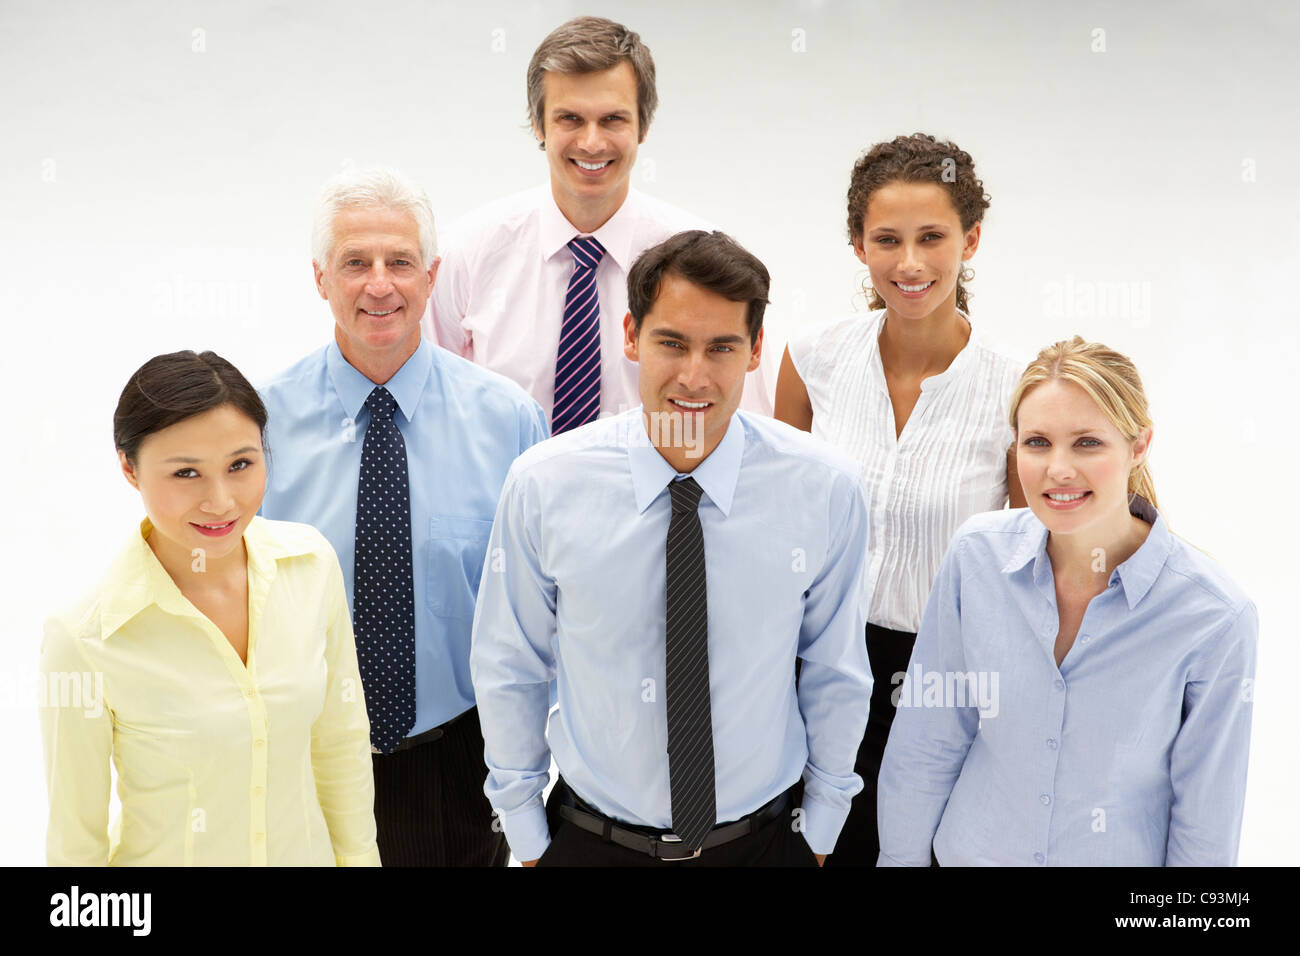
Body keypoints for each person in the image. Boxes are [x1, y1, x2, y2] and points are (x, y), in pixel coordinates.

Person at [470, 230, 872, 867]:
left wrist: (820, 830)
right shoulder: (545, 485)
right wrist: (526, 836)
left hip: (767, 844)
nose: (694, 375)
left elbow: (836, 669)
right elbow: (510, 664)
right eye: (671, 343)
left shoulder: (824, 490)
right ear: (630, 335)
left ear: (756, 350)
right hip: (589, 844)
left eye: (721, 348)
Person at [259, 167, 549, 867]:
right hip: (305, 754)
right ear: (321, 279)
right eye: (355, 263)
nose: (379, 284)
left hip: (456, 759)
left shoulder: (510, 421)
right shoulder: (261, 423)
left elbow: (543, 607)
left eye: (400, 262)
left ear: (431, 276)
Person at [877, 337, 1258, 866]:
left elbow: (1206, 821)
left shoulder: (1214, 618)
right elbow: (927, 744)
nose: (1058, 469)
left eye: (1086, 443)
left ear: (1139, 445)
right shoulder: (976, 557)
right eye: (1037, 442)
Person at [774, 132, 1026, 865]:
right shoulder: (812, 358)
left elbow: (1023, 567)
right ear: (858, 245)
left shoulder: (1016, 387)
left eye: (932, 237)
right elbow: (768, 526)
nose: (909, 263)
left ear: (970, 239)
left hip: (945, 678)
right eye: (887, 239)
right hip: (814, 666)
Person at [39, 350, 378, 866]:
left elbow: (339, 749)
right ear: (129, 468)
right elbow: (75, 847)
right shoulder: (85, 637)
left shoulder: (310, 566)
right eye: (186, 474)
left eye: (240, 464)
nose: (221, 501)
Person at [426, 15, 776, 430]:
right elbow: (428, 402)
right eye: (570, 118)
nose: (591, 142)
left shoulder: (703, 263)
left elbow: (753, 424)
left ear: (644, 126)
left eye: (613, 119)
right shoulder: (466, 251)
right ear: (538, 123)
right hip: (502, 494)